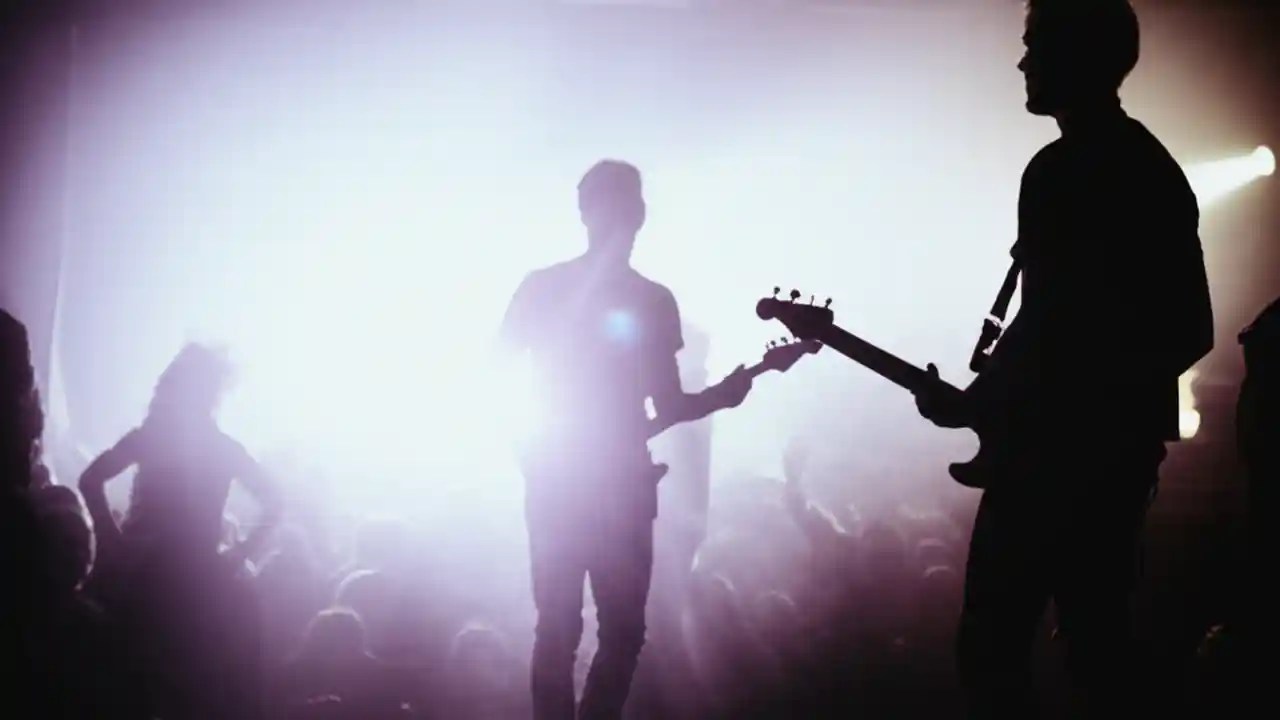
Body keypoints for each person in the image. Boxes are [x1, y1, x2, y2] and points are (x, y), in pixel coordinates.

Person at [913, 0, 1213, 716]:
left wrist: (1042, 405)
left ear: (1077, 54)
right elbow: (1058, 322)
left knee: (1003, 654)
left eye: (1035, 45)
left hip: (1069, 461)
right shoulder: (1120, 167)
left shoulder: (1077, 172)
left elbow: (1172, 328)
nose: (1022, 62)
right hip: (1096, 458)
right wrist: (991, 398)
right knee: (1089, 653)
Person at [499, 160, 753, 720]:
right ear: (640, 215)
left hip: (559, 479)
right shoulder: (653, 300)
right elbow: (671, 407)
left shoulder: (544, 286)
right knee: (620, 632)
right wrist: (728, 393)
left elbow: (496, 371)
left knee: (559, 629)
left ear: (583, 211)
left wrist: (530, 452)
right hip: (620, 483)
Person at [79, 343, 283, 718]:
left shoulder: (153, 436)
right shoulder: (222, 448)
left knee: (121, 685)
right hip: (195, 582)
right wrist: (239, 555)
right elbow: (276, 501)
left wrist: (111, 538)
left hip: (139, 577)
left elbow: (90, 479)